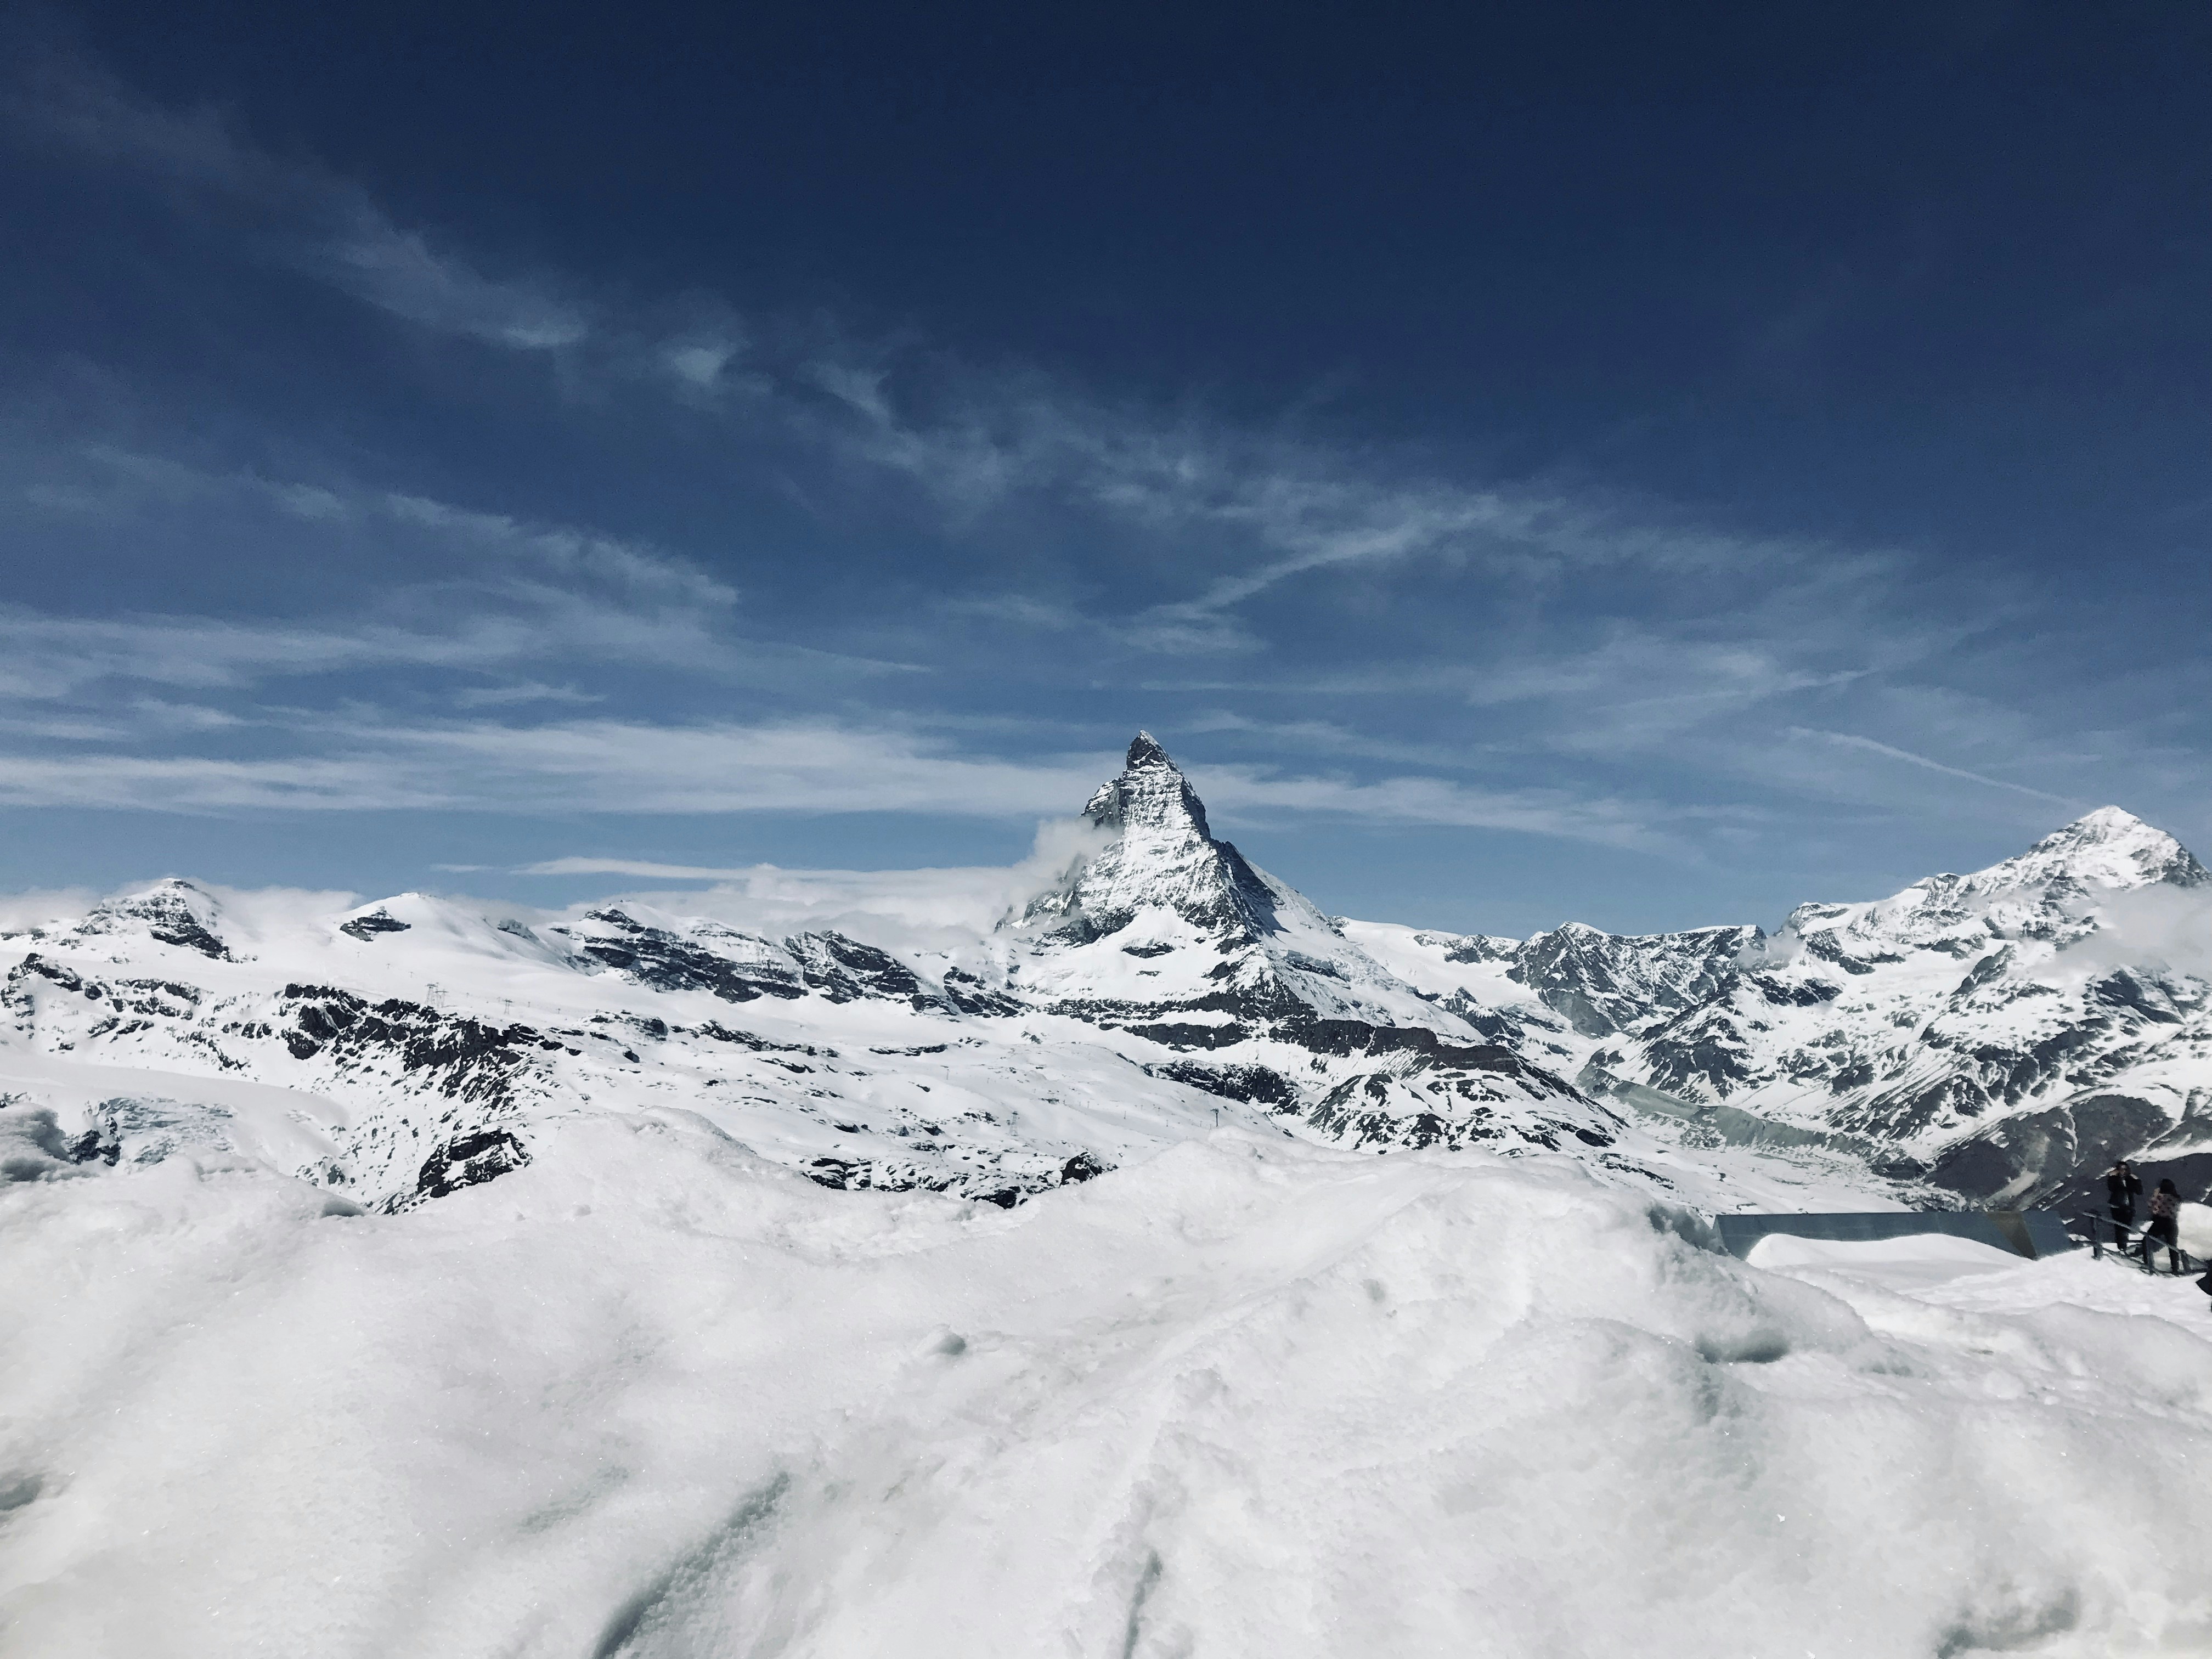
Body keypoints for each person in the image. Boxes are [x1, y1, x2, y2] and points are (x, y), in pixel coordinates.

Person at [2146, 1177, 2182, 1272]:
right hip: (2171, 1223)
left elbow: (2152, 1208)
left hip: (2160, 1222)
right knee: (2172, 1247)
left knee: (2147, 1240)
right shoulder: (2176, 1198)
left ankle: (2148, 1264)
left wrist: (2155, 1195)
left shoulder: (2161, 1197)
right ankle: (2175, 1269)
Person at [2107, 1160, 2142, 1251]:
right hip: (2117, 1207)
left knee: (2126, 1227)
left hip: (2129, 1207)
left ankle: (2124, 1246)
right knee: (2119, 1227)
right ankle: (2121, 1247)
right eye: (2121, 1169)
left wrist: (2137, 1180)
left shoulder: (2130, 1180)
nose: (2123, 1171)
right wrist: (2112, 1176)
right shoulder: (2115, 1179)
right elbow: (2111, 1188)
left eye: (2125, 1169)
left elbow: (2139, 1192)